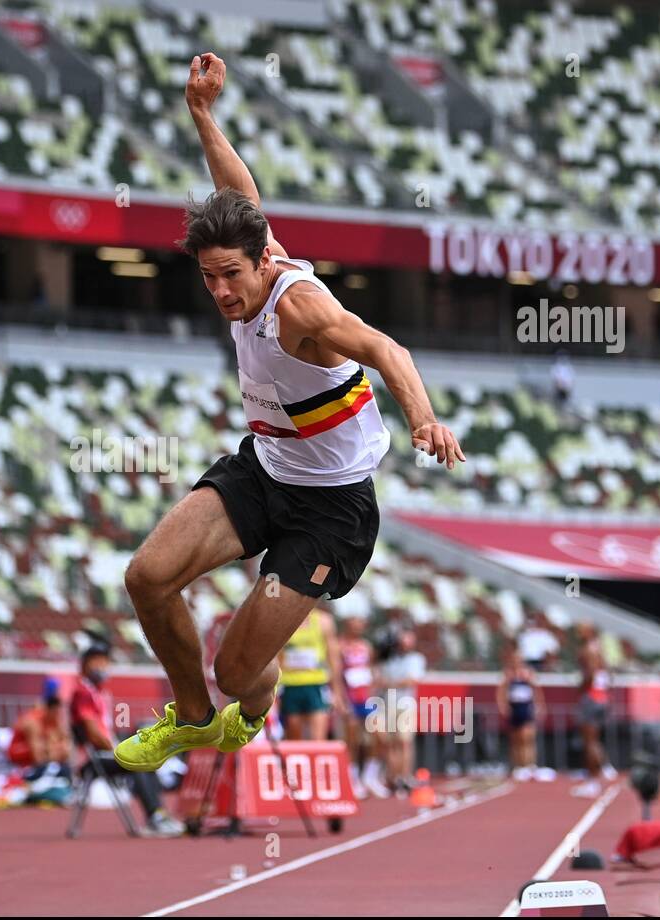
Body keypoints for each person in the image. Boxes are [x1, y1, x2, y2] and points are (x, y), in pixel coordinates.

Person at [113, 52, 463, 772]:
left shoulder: (302, 306)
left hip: (330, 509)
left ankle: (245, 703)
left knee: (240, 670)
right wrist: (202, 114)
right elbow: (236, 191)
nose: (219, 292)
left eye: (230, 277)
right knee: (147, 578)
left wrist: (423, 418)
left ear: (265, 263)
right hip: (266, 470)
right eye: (207, 278)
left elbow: (387, 347)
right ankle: (193, 719)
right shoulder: (249, 247)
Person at [71, 645, 184, 837]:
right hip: (96, 758)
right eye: (97, 661)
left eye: (105, 661)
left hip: (106, 752)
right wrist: (116, 749)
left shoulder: (97, 692)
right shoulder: (83, 693)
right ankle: (156, 818)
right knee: (138, 762)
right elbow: (91, 731)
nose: (102, 665)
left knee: (147, 758)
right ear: (84, 665)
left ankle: (159, 815)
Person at [334, 616, 384, 799]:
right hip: (351, 699)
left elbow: (372, 669)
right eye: (355, 624)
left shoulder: (366, 646)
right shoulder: (339, 646)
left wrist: (374, 688)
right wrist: (341, 700)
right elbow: (337, 674)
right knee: (352, 740)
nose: (359, 628)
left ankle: (370, 776)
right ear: (347, 625)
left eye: (361, 624)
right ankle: (352, 779)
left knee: (380, 736)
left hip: (367, 698)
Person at [277, 607, 338, 741]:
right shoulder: (282, 619)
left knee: (318, 739)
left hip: (316, 684)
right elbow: (276, 657)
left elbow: (333, 658)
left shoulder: (323, 621)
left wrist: (337, 692)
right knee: (294, 740)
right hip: (290, 685)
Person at [379, 626, 426, 795]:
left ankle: (404, 776)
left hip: (405, 705)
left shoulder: (416, 659)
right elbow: (381, 679)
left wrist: (392, 683)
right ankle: (393, 777)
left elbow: (411, 680)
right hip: (389, 704)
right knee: (391, 744)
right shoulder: (389, 659)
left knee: (404, 743)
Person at [573, 623, 616, 797]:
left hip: (591, 697)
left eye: (581, 629)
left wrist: (581, 689)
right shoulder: (599, 649)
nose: (578, 632)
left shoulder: (588, 650)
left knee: (589, 740)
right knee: (594, 739)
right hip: (601, 697)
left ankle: (592, 781)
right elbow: (606, 674)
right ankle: (603, 768)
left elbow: (590, 675)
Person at [496, 646, 546, 781]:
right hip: (514, 707)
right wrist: (503, 706)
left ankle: (529, 765)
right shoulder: (509, 674)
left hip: (526, 707)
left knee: (527, 737)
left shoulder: (528, 673)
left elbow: (536, 690)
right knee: (516, 739)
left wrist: (539, 706)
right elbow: (501, 691)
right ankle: (519, 766)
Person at [8, 678, 72, 775]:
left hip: (37, 759)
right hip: (22, 760)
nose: (59, 716)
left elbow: (66, 750)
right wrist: (53, 752)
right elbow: (38, 756)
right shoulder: (33, 722)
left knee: (60, 747)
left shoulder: (54, 721)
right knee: (49, 747)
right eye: (56, 713)